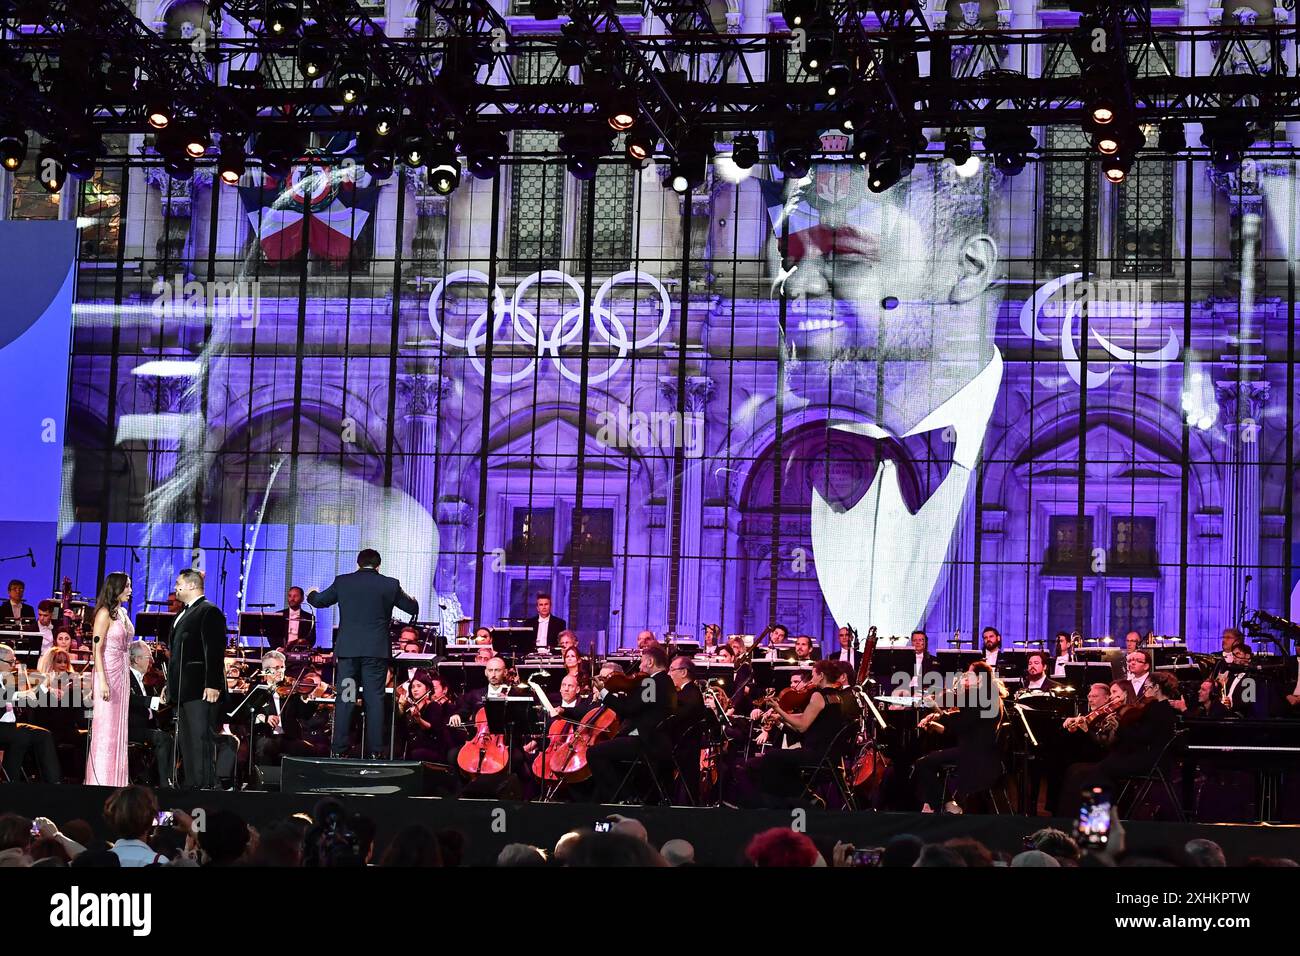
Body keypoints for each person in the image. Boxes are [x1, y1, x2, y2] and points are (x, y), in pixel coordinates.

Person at [773, 160, 1004, 639]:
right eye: (790, 260)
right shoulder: (785, 462)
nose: (794, 286)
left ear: (967, 270)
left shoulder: (1021, 444)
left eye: (844, 255)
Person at [308, 548, 418, 759]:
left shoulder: (343, 582)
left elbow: (319, 601)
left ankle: (339, 750)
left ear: (358, 564)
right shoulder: (390, 584)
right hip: (375, 654)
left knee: (346, 697)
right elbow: (411, 608)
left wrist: (312, 592)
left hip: (349, 654)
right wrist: (413, 600)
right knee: (374, 699)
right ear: (378, 565)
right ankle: (375, 752)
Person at [587, 646, 677, 803]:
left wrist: (603, 691)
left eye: (642, 662)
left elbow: (628, 709)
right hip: (659, 743)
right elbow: (639, 707)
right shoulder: (666, 682)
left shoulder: (651, 682)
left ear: (650, 662)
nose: (640, 667)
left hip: (647, 743)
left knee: (594, 753)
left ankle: (626, 798)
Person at [164, 568, 227, 789]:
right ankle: (192, 787)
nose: (175, 587)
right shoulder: (182, 614)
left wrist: (212, 684)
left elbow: (215, 650)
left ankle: (205, 789)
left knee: (201, 741)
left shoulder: (209, 612)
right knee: (187, 742)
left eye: (178, 582)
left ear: (191, 585)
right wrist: (169, 685)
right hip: (182, 690)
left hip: (201, 689)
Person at [85, 572, 134, 787]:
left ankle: (117, 781)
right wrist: (102, 681)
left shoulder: (122, 613)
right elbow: (97, 648)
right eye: (127, 586)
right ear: (116, 588)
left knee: (119, 728)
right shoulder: (104, 613)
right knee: (106, 728)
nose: (130, 590)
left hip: (122, 675)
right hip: (107, 674)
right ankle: (100, 781)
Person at [0, 643, 62, 782]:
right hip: (2, 727)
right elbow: (23, 697)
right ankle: (52, 783)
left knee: (33, 736)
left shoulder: (5, 679)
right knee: (23, 735)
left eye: (14, 661)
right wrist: (44, 685)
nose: (14, 665)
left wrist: (44, 688)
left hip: (8, 728)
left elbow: (25, 699)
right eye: (11, 662)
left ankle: (11, 782)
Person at [126, 642, 173, 787]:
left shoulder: (145, 681)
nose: (151, 661)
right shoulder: (126, 676)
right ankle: (163, 783)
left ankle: (157, 778)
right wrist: (154, 701)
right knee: (163, 739)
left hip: (145, 726)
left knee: (174, 735)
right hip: (132, 728)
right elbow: (129, 699)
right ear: (137, 659)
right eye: (148, 657)